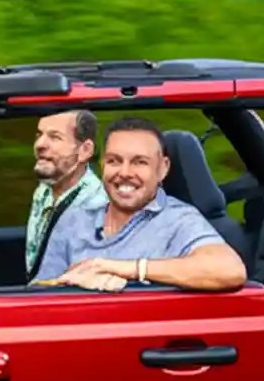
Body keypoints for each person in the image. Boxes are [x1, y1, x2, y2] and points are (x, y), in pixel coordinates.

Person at [31, 116, 248, 293]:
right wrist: (74, 282)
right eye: (114, 161)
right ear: (102, 165)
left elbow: (230, 270)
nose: (124, 173)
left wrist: (126, 270)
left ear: (162, 169)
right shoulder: (74, 219)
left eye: (139, 162)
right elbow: (37, 292)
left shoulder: (179, 220)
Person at [24, 110, 107, 276]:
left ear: (85, 150)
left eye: (55, 137)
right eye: (39, 135)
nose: (40, 144)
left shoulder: (97, 207)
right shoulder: (44, 190)